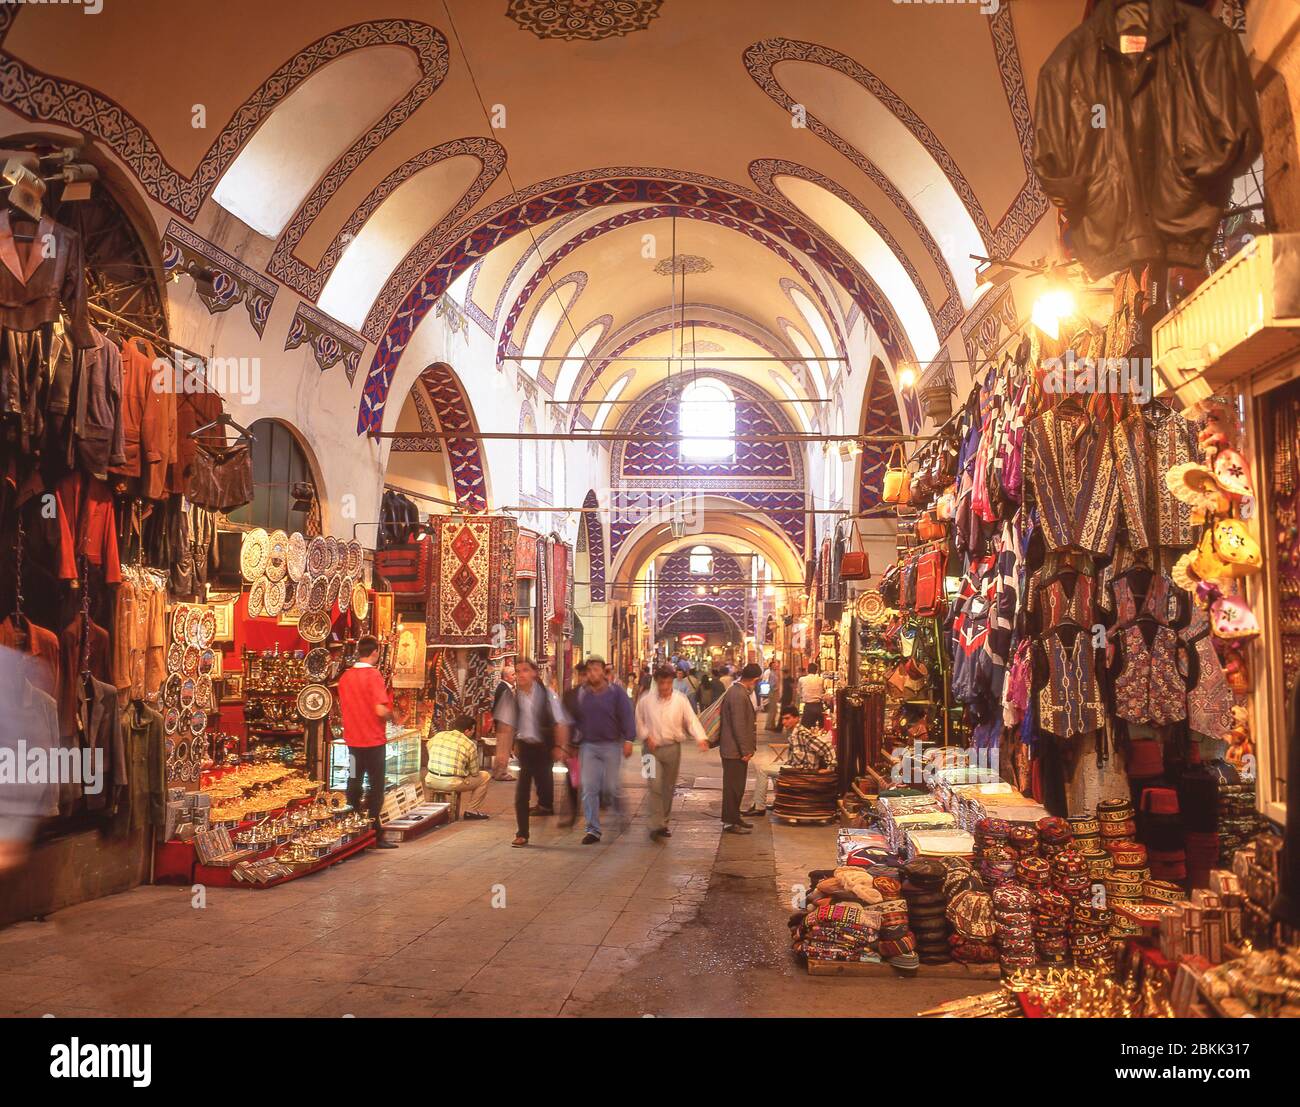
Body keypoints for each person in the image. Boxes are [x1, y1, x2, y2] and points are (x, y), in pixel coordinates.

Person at [493, 658, 571, 848]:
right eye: (518, 671)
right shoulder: (511, 696)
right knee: (522, 792)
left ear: (534, 673)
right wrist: (502, 754)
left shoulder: (547, 695)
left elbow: (560, 722)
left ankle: (546, 805)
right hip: (525, 748)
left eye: (525, 670)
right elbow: (505, 726)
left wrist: (560, 747)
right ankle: (522, 833)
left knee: (544, 782)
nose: (521, 674)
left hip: (544, 748)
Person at [338, 635, 406, 848]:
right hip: (373, 742)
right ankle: (374, 832)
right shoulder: (374, 676)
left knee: (354, 781)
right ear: (375, 652)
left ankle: (353, 826)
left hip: (353, 741)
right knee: (376, 787)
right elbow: (379, 709)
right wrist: (392, 716)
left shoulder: (345, 677)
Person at [637, 664, 709, 840]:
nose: (665, 687)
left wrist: (701, 737)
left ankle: (663, 822)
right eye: (662, 683)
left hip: (672, 749)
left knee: (668, 787)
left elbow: (691, 720)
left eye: (668, 683)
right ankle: (656, 823)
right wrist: (646, 736)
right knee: (653, 786)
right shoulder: (646, 700)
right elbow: (638, 720)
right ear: (657, 682)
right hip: (649, 750)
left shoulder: (680, 700)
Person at [572, 656, 635, 845]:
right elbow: (575, 719)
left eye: (596, 670)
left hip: (611, 745)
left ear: (603, 671)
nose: (592, 674)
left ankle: (621, 814)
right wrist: (573, 742)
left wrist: (629, 739)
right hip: (588, 745)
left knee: (611, 786)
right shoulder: (582, 694)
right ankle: (593, 830)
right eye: (589, 670)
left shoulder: (616, 693)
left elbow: (626, 715)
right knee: (589, 788)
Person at [743, 703, 837, 817]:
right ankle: (778, 802)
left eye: (787, 718)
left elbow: (827, 747)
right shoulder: (794, 733)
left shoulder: (802, 733)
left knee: (762, 770)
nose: (784, 722)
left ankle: (759, 807)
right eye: (783, 719)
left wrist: (830, 768)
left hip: (802, 770)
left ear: (797, 718)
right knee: (772, 767)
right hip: (795, 766)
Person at [718, 662, 761, 834]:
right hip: (733, 750)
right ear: (754, 679)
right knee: (733, 787)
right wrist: (745, 750)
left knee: (737, 786)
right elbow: (739, 725)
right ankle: (730, 821)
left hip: (735, 749)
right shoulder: (737, 694)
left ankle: (734, 817)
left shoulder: (738, 691)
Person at [424, 712, 491, 820]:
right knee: (485, 776)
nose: (473, 732)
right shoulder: (469, 744)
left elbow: (428, 746)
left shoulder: (439, 735)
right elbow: (475, 772)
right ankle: (471, 810)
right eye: (473, 730)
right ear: (467, 731)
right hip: (452, 782)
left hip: (430, 779)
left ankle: (442, 810)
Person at [559, 660, 588, 827]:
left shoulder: (599, 694)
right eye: (581, 674)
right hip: (574, 745)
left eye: (586, 674)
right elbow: (563, 721)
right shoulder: (569, 695)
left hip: (592, 744)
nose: (584, 678)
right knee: (573, 779)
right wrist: (565, 744)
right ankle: (572, 812)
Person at [490, 659, 517, 780]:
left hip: (504, 723)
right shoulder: (504, 688)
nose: (515, 677)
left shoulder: (505, 687)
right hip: (505, 724)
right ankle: (501, 773)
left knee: (502, 748)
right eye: (513, 674)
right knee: (503, 749)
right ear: (506, 677)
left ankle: (498, 771)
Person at [798, 661, 829, 727]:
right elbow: (823, 691)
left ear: (807, 670)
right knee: (820, 729)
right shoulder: (821, 679)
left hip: (808, 707)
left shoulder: (801, 679)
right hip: (819, 707)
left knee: (806, 729)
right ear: (816, 670)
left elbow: (799, 693)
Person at [764, 659, 783, 731]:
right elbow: (771, 684)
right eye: (774, 665)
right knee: (772, 710)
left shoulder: (775, 673)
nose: (776, 666)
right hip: (772, 693)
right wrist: (776, 688)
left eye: (776, 665)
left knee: (773, 710)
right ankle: (768, 725)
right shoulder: (772, 674)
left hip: (774, 692)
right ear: (771, 667)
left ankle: (772, 724)